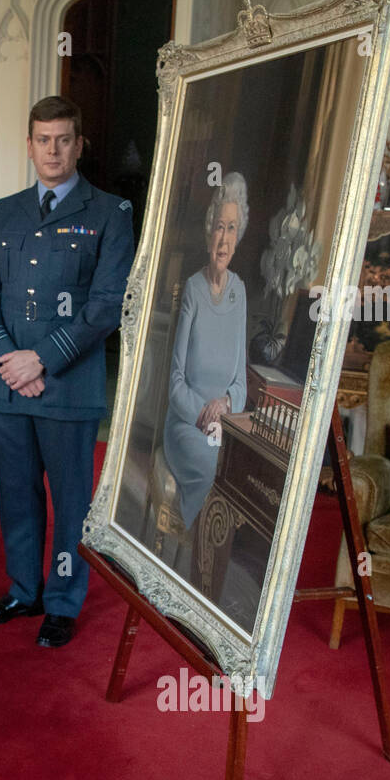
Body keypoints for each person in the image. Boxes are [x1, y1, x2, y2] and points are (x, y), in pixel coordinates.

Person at [0, 95, 135, 648]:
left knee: (70, 503)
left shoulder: (110, 213)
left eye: (64, 139)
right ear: (30, 144)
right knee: (16, 494)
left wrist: (41, 359)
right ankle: (23, 590)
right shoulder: (6, 210)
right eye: (44, 139)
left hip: (68, 384)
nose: (53, 150)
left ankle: (62, 601)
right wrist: (7, 357)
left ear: (80, 144)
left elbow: (108, 304)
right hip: (8, 385)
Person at [163, 171, 249, 528]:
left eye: (231, 228)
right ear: (208, 232)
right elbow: (176, 383)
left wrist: (226, 404)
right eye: (218, 227)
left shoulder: (239, 292)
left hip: (223, 425)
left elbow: (240, 384)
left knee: (247, 475)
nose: (224, 238)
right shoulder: (194, 291)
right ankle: (197, 563)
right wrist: (206, 415)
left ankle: (215, 568)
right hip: (187, 426)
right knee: (213, 468)